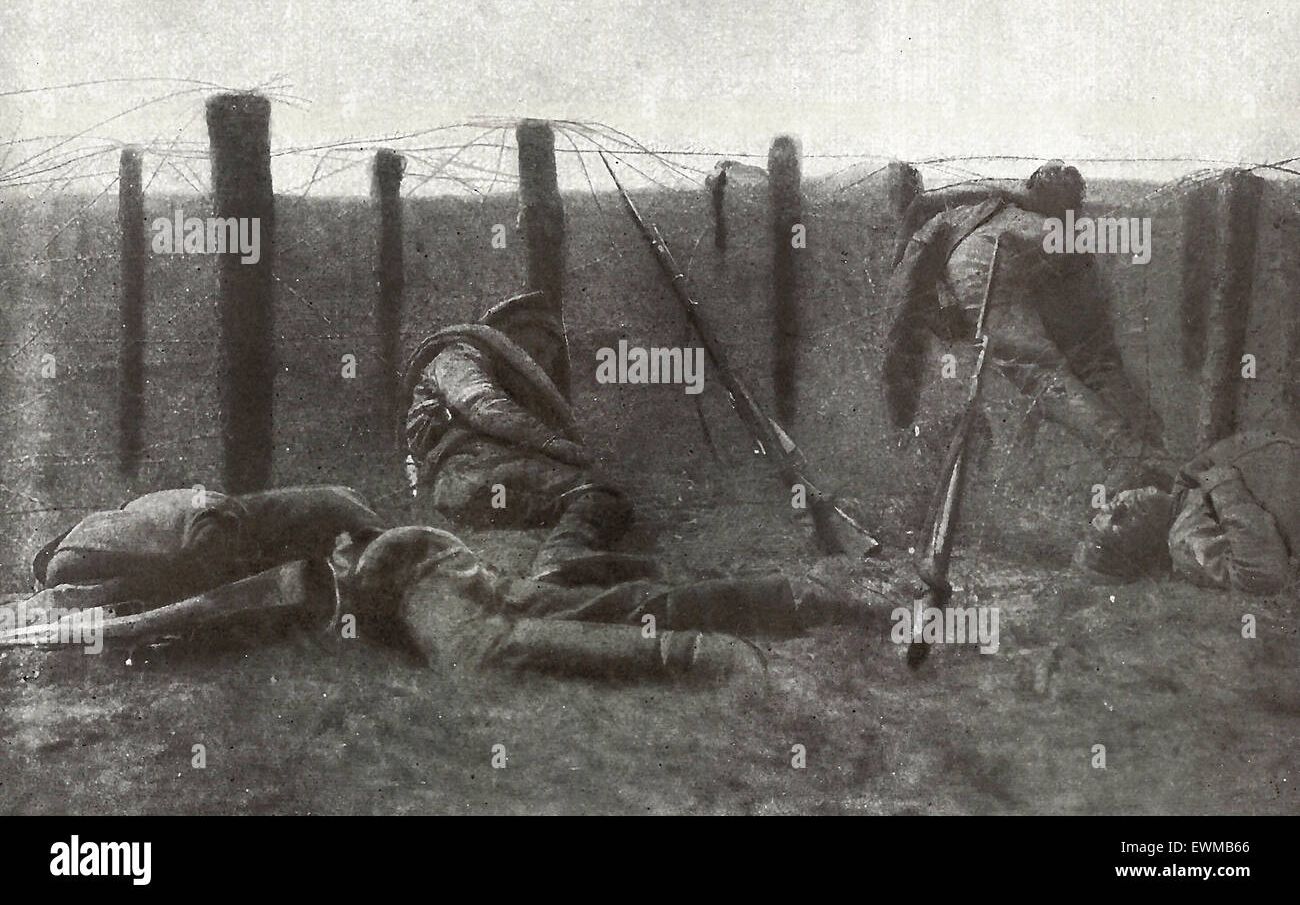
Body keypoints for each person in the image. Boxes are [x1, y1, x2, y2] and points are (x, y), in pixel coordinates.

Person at [883, 160, 1174, 492]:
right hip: (1057, 239)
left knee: (1035, 367)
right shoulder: (977, 203)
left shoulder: (923, 231)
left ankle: (1125, 454)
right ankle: (1157, 453)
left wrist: (899, 426)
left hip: (994, 250)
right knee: (1096, 360)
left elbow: (899, 330)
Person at [338, 524, 891, 682]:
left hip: (401, 570)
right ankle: (798, 601)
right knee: (576, 607)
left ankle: (693, 654)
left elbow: (338, 515)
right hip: (415, 562)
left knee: (485, 650)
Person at [402, 291, 655, 586]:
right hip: (472, 471)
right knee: (599, 492)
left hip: (477, 479)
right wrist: (555, 445)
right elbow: (482, 405)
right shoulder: (459, 354)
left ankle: (560, 570)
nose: (543, 361)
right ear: (513, 334)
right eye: (540, 347)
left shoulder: (491, 370)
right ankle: (560, 559)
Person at [16, 484, 386, 618]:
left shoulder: (80, 545)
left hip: (217, 525)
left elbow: (194, 537)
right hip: (223, 521)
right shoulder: (118, 517)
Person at [1074, 430, 1300, 593]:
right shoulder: (1184, 541)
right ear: (1142, 551)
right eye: (1119, 521)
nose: (1119, 505)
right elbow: (1261, 573)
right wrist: (1223, 485)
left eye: (1110, 505)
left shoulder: (1187, 484)